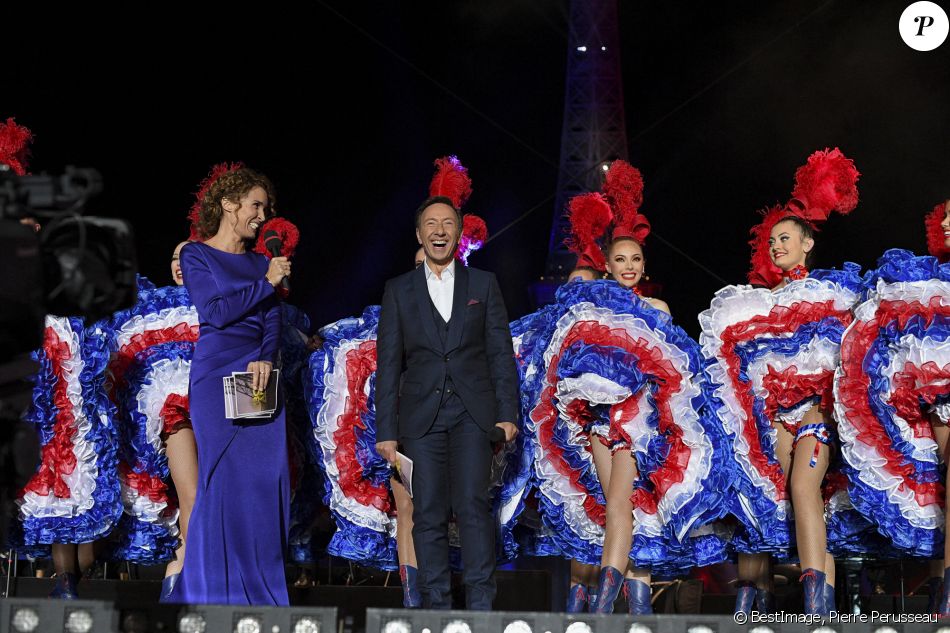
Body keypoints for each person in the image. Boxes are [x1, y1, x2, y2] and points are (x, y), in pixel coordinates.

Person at [375, 156, 519, 610]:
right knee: (428, 512)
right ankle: (437, 607)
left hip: (474, 413)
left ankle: (481, 607)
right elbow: (388, 364)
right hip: (420, 417)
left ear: (459, 233)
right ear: (419, 235)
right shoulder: (398, 289)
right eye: (430, 225)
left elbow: (500, 353)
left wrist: (507, 414)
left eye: (447, 224)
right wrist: (386, 431)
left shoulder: (484, 284)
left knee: (474, 506)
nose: (439, 231)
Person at [167, 165, 292, 605]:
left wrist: (266, 358)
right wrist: (267, 283)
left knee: (264, 481)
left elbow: (273, 320)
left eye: (266, 208)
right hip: (217, 374)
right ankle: (210, 594)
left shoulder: (261, 262)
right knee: (221, 483)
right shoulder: (196, 256)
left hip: (258, 376)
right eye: (256, 205)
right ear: (228, 204)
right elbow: (216, 312)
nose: (263, 216)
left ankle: (261, 594)